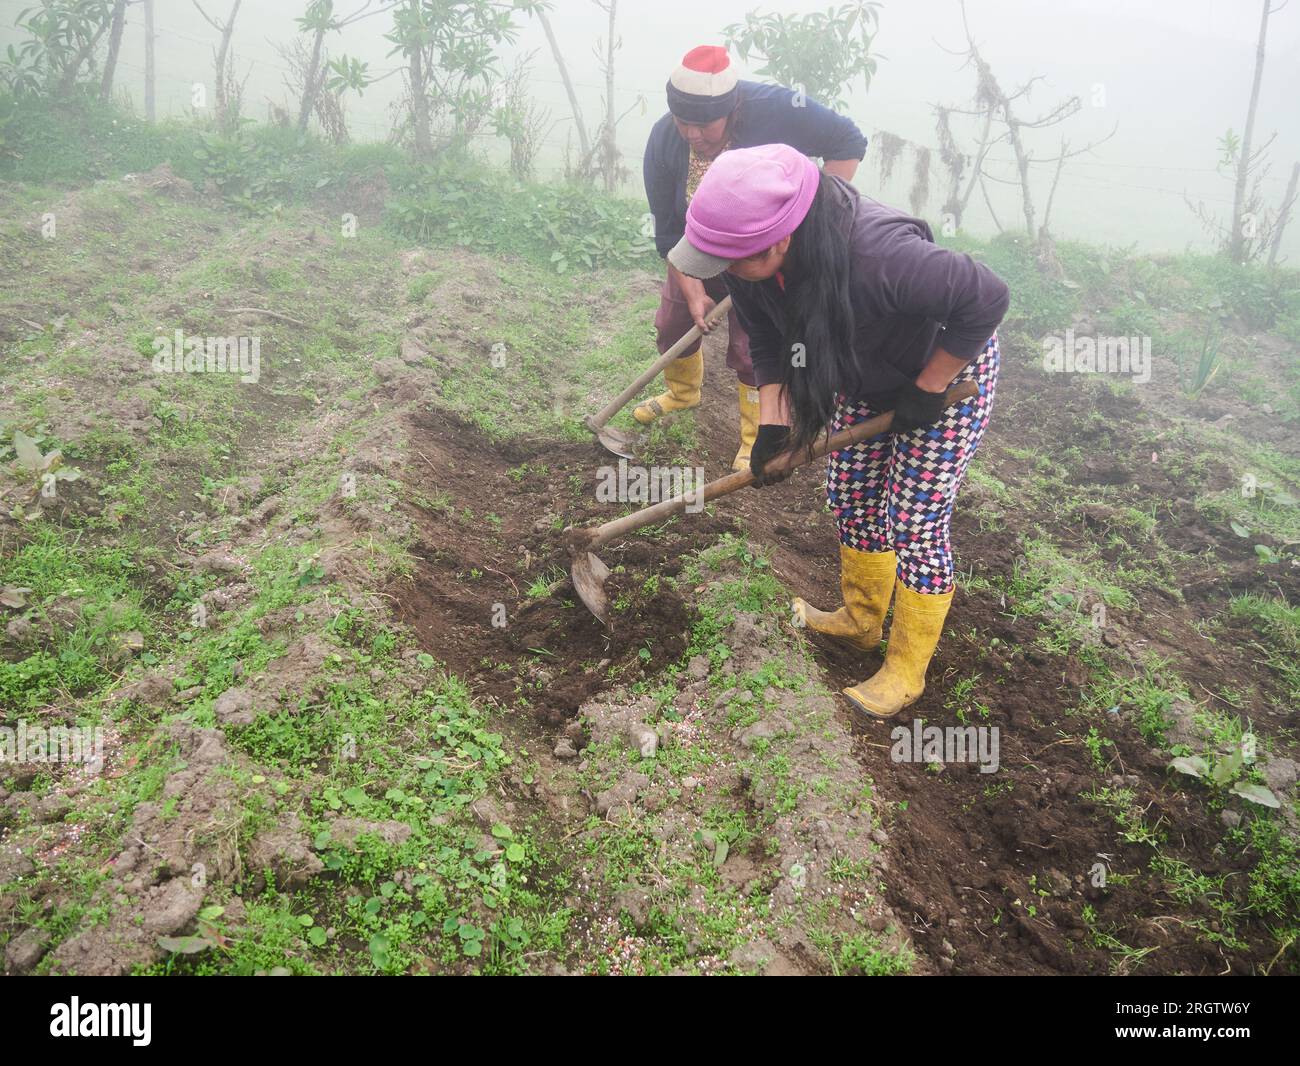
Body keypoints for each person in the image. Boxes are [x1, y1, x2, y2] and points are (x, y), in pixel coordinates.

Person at [666, 144, 1009, 722]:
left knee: (913, 521)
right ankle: (860, 622)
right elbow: (770, 340)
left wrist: (927, 388)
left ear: (778, 241)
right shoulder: (752, 268)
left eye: (730, 258)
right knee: (851, 495)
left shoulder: (881, 255)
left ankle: (905, 668)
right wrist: (774, 427)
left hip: (948, 377)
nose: (721, 269)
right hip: (864, 374)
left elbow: (987, 297)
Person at [640, 45, 868, 470]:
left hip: (763, 251)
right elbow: (670, 230)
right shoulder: (664, 140)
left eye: (704, 124)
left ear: (731, 108)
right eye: (682, 121)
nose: (692, 134)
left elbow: (848, 141)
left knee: (752, 344)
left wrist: (808, 220)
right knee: (672, 322)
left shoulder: (776, 110)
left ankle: (753, 435)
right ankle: (682, 394)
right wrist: (693, 292)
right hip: (698, 246)